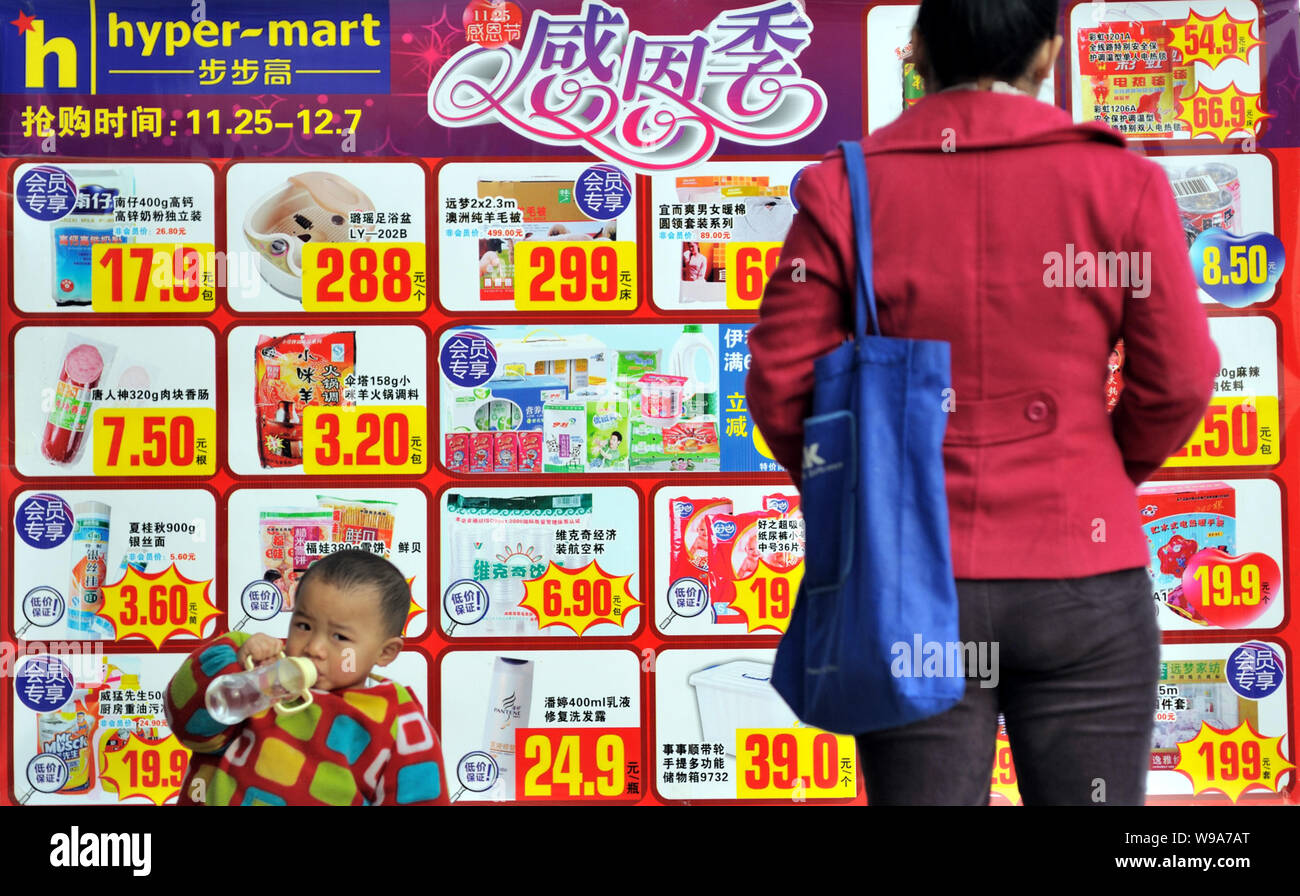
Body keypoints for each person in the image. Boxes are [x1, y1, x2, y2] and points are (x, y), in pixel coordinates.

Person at [746, 0, 1218, 806]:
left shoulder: (845, 188)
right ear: (1048, 54)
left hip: (909, 582)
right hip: (1084, 576)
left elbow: (781, 382)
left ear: (919, 48)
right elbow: (1176, 379)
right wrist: (1101, 472)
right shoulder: (1121, 181)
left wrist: (873, 492)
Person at [164, 549, 450, 805]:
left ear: (385, 652)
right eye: (303, 625)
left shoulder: (396, 722)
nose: (314, 647)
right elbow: (186, 724)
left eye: (340, 637)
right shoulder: (259, 672)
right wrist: (237, 669)